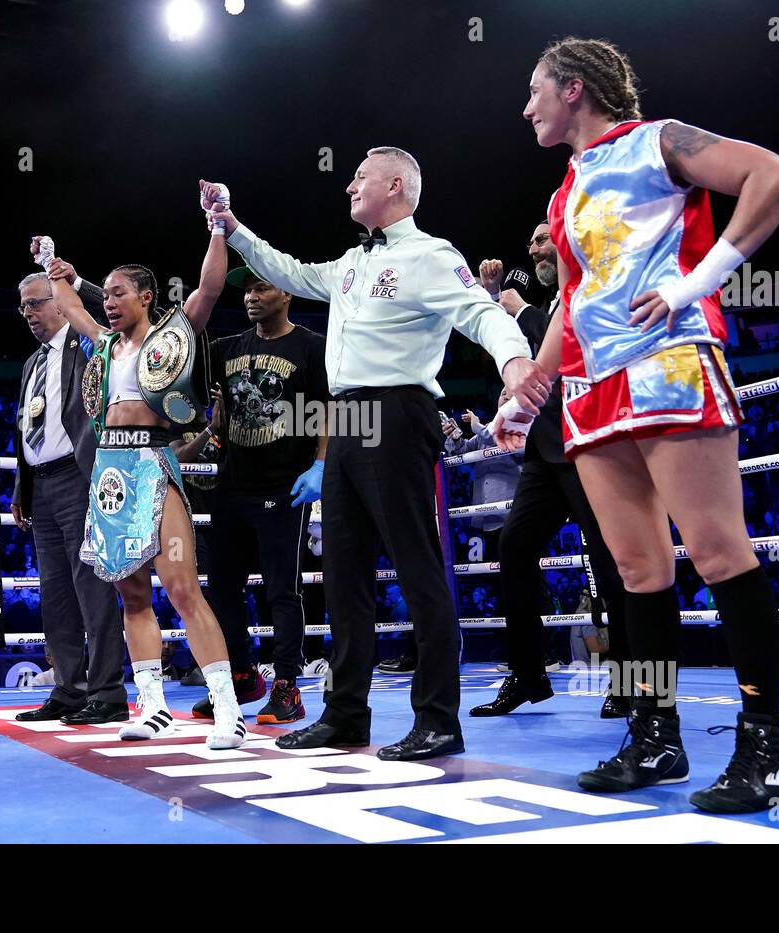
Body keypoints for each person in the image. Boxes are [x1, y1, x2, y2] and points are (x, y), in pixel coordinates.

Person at [498, 37, 779, 813]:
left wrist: (693, 284)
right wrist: (528, 391)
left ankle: (768, 743)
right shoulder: (562, 191)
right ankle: (654, 732)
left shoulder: (659, 140)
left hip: (669, 360)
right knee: (638, 572)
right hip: (591, 385)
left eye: (535, 90)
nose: (525, 105)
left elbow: (775, 177)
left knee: (715, 549)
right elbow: (571, 301)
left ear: (572, 88)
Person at [207, 148, 550, 760]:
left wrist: (515, 358)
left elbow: (478, 313)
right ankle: (345, 714)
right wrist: (233, 229)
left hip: (398, 411)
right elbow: (287, 270)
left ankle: (438, 718)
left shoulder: (431, 255)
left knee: (418, 566)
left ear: (395, 186)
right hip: (347, 419)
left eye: (360, 178)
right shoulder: (348, 263)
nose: (347, 186)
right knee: (342, 576)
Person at [40, 182, 247, 750]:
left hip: (153, 462)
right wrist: (54, 268)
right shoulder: (105, 347)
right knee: (131, 593)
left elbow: (208, 286)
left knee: (182, 588)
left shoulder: (172, 336)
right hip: (109, 470)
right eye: (104, 293)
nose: (107, 301)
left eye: (118, 292)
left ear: (147, 296)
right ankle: (152, 706)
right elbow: (70, 306)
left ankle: (228, 710)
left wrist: (215, 222)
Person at [471, 222, 633, 720]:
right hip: (547, 451)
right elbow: (521, 364)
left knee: (613, 565)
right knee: (514, 548)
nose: (534, 247)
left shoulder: (592, 285)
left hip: (594, 444)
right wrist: (498, 303)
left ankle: (631, 682)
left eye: (543, 240)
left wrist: (518, 308)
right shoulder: (549, 301)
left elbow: (561, 348)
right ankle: (527, 674)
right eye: (532, 241)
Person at [189, 265, 328, 727]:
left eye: (261, 287)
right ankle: (244, 674)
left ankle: (288, 686)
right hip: (233, 483)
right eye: (247, 289)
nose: (251, 296)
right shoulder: (227, 349)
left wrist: (320, 464)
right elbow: (179, 359)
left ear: (286, 294)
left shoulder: (311, 346)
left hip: (283, 484)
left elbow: (329, 411)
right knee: (221, 589)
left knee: (281, 590)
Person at [11, 255, 130, 726]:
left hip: (80, 480)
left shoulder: (88, 346)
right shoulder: (30, 364)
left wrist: (70, 280)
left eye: (35, 303)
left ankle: (107, 691)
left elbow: (111, 320)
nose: (28, 314)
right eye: (22, 308)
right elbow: (25, 427)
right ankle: (68, 688)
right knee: (55, 592)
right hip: (41, 486)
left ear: (60, 305)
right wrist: (22, 488)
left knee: (92, 586)